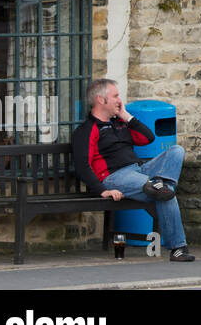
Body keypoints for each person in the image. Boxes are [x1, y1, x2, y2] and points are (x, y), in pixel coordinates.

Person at [70, 78, 194, 262]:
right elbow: (82, 166)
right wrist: (103, 191)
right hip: (114, 177)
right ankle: (178, 248)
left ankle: (161, 184)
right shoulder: (87, 130)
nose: (120, 100)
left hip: (139, 171)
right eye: (115, 96)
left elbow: (147, 138)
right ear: (101, 100)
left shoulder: (119, 124)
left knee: (176, 151)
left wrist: (126, 116)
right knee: (164, 194)